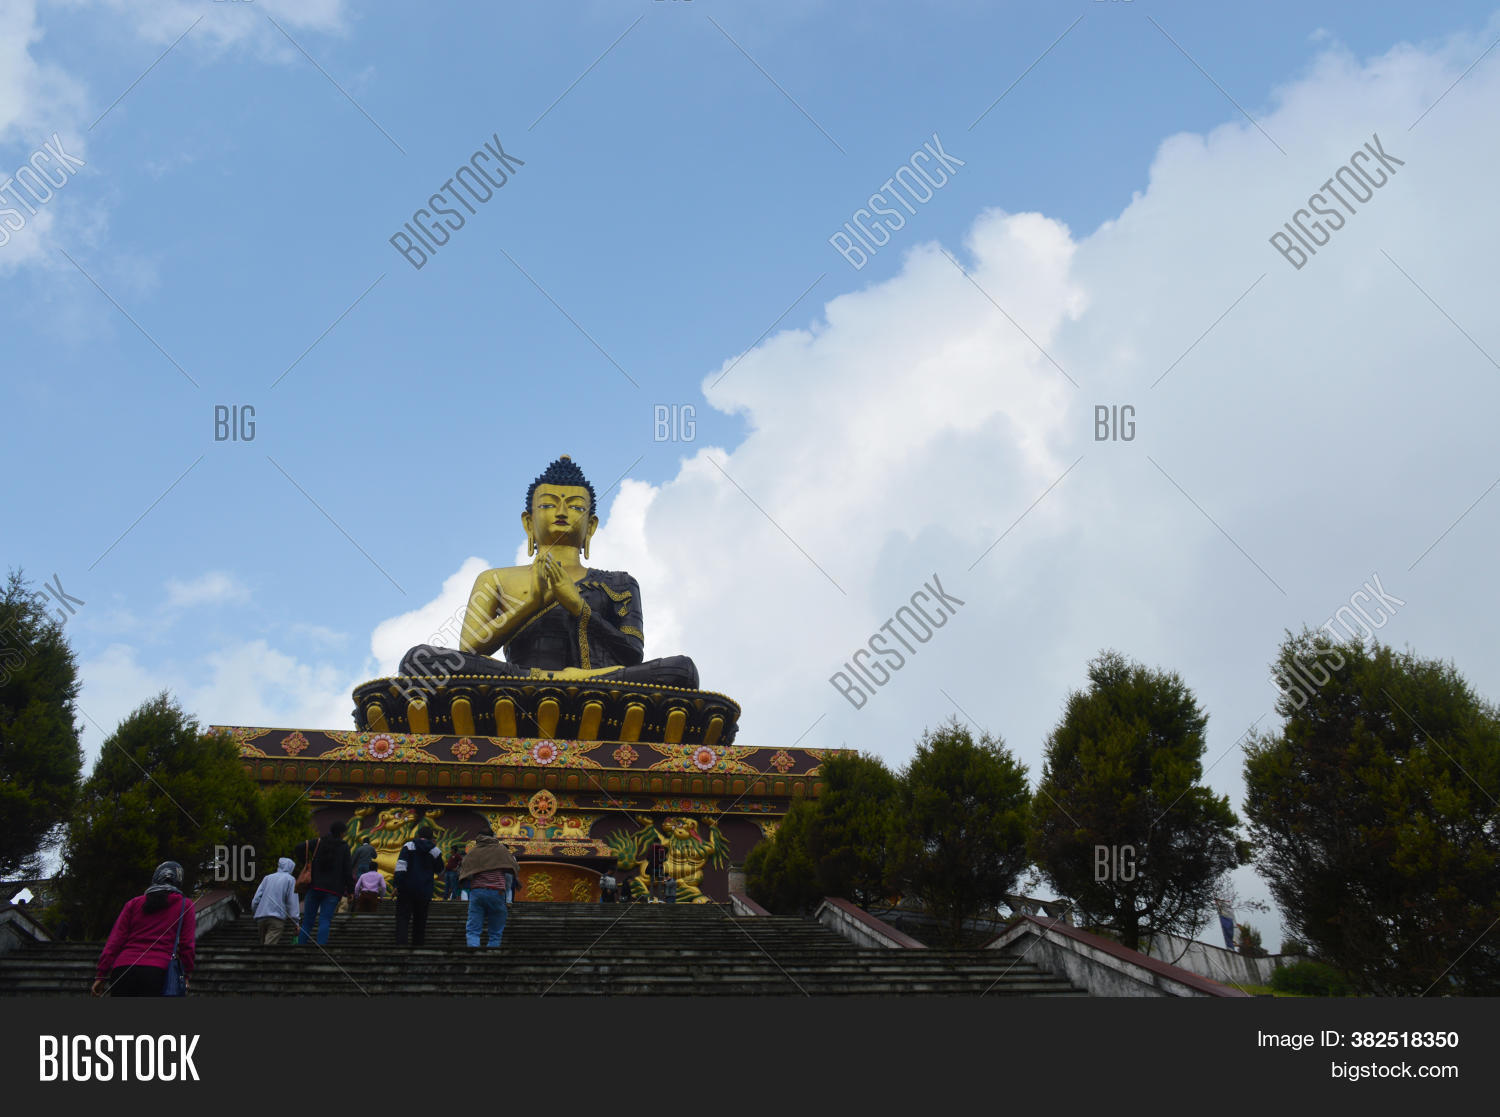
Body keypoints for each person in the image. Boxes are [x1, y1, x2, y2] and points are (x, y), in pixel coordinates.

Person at [399, 456, 697, 688]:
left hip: (601, 683)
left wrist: (578, 607)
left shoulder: (619, 583)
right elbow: (470, 649)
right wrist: (533, 603)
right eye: (548, 504)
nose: (562, 512)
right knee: (421, 661)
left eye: (575, 506)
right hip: (519, 679)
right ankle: (557, 682)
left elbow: (632, 653)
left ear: (590, 526)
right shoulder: (496, 579)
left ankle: (579, 680)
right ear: (528, 523)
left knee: (681, 670)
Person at [92, 862, 195, 997]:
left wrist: (101, 974)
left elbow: (115, 941)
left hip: (123, 970)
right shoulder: (185, 905)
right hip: (159, 971)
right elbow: (187, 945)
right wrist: (185, 973)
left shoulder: (134, 903)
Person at [294, 820, 354, 946]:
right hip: (333, 890)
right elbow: (348, 871)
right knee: (325, 920)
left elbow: (299, 847)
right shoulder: (344, 847)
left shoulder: (318, 842)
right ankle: (321, 948)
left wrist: (306, 862)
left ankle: (301, 946)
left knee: (307, 921)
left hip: (314, 887)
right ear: (342, 833)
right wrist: (350, 891)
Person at [460, 828, 521, 947]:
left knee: (473, 927)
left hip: (477, 891)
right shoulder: (501, 850)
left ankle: (473, 953)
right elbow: (514, 867)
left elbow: (465, 870)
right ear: (493, 836)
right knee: (496, 930)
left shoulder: (474, 851)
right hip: (497, 891)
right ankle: (492, 952)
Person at [393, 825, 445, 946]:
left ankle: (401, 944)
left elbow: (401, 866)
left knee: (402, 917)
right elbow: (440, 870)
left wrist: (397, 884)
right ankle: (417, 945)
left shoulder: (408, 846)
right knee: (420, 918)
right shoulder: (435, 850)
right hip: (424, 889)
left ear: (418, 835)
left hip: (406, 888)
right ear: (431, 837)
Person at [250, 856, 300, 944]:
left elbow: (256, 898)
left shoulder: (267, 878)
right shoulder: (290, 879)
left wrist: (255, 911)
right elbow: (291, 902)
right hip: (277, 917)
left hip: (261, 917)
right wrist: (295, 921)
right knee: (269, 946)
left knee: (262, 944)